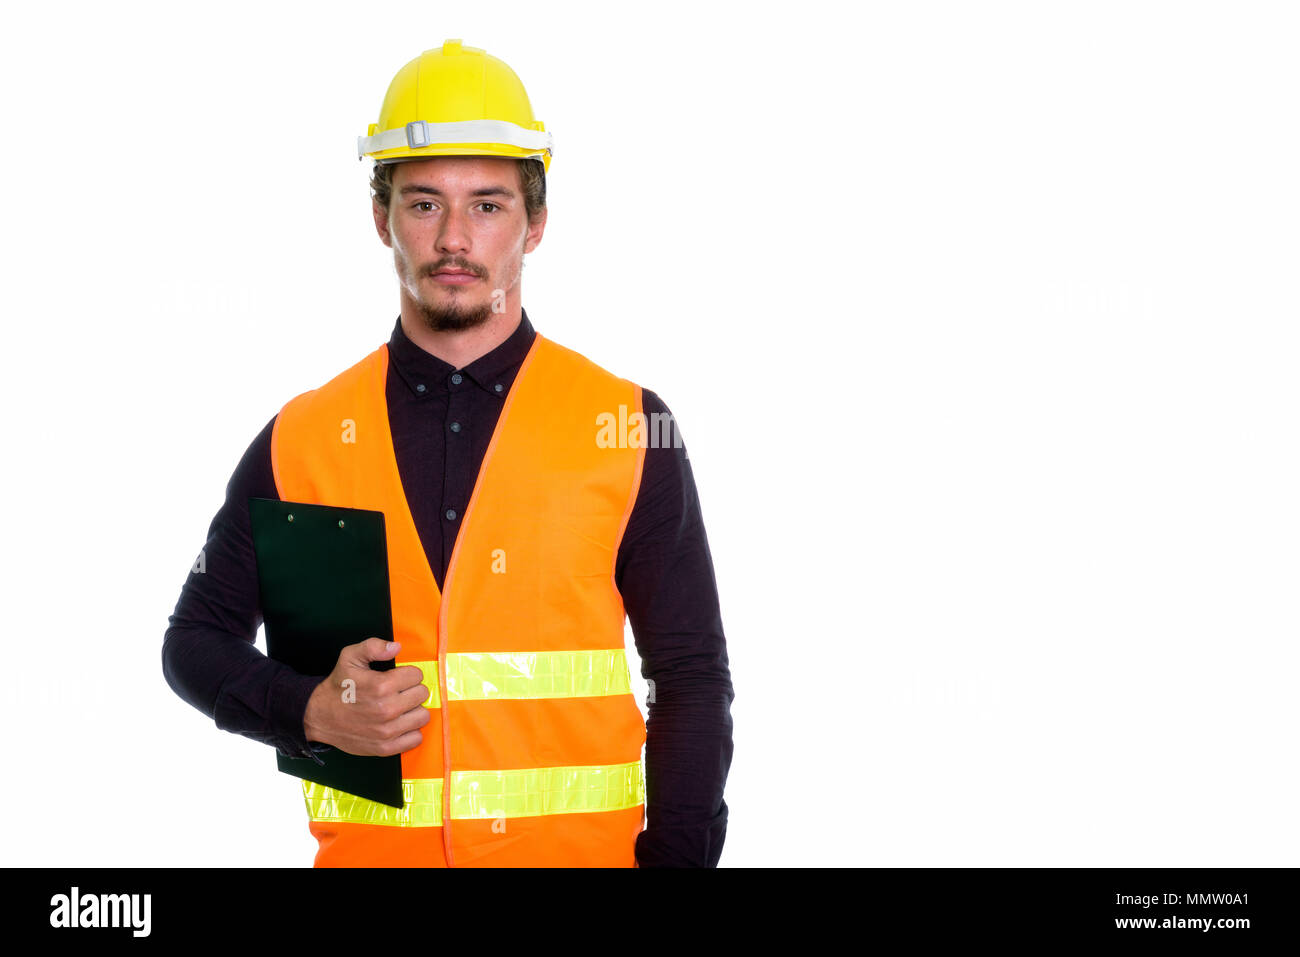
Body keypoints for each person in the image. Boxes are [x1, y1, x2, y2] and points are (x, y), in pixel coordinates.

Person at [162, 39, 735, 867]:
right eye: (425, 204)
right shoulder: (302, 436)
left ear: (535, 224)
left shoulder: (631, 425)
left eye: (489, 205)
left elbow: (691, 677)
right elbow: (194, 641)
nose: (455, 238)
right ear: (380, 216)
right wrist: (304, 709)